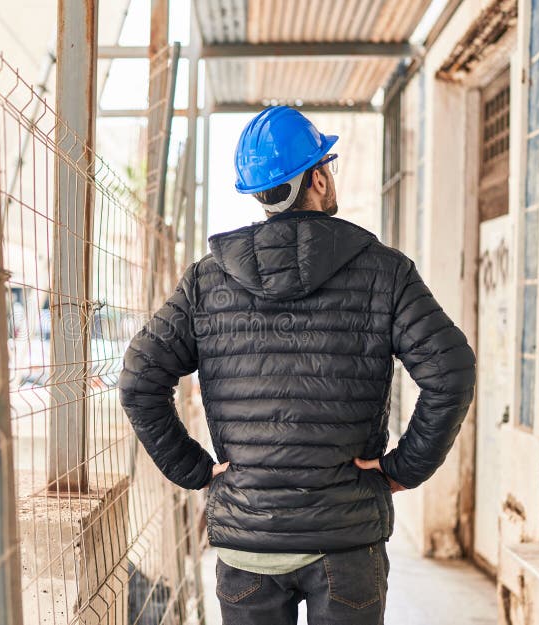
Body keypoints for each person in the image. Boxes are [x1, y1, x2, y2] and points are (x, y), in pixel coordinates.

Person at [118, 105, 476, 624]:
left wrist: (197, 472)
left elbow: (137, 383)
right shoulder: (385, 272)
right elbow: (452, 372)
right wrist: (403, 470)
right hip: (347, 542)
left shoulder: (206, 282)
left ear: (259, 195)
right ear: (318, 178)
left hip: (247, 546)